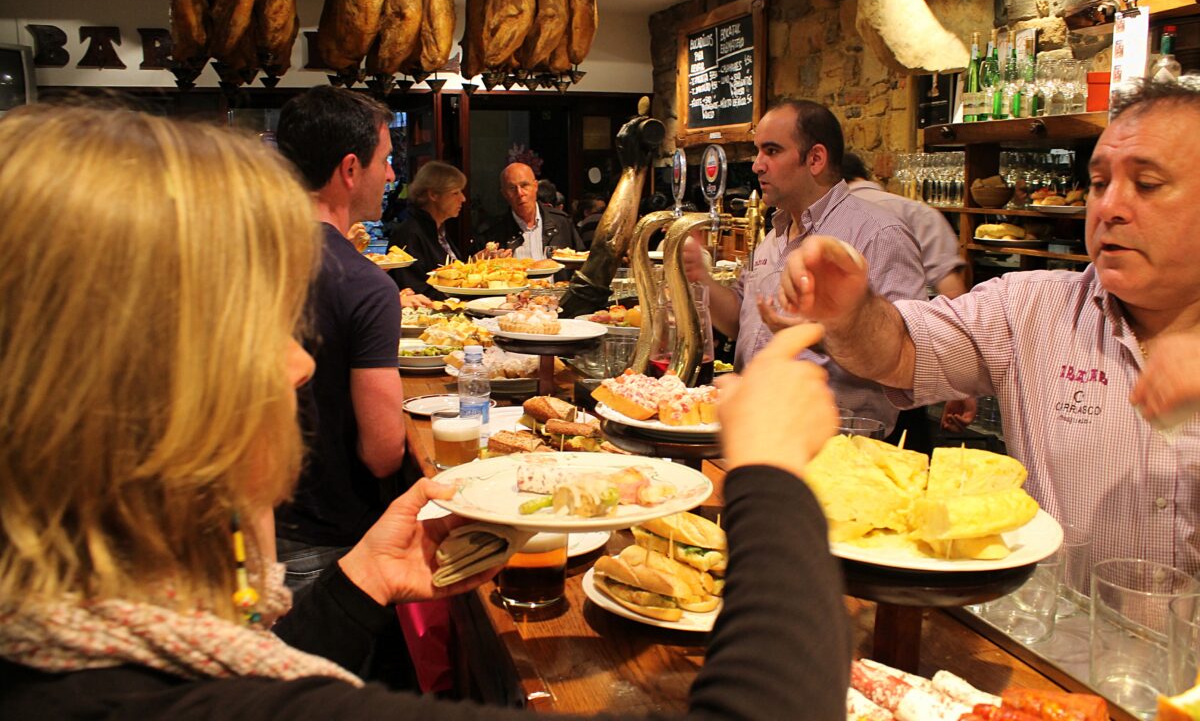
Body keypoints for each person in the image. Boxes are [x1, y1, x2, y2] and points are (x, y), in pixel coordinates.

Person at [0, 104, 851, 720]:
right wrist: (772, 478)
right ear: (133, 385)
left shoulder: (80, 647)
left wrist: (358, 585)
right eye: (258, 323)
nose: (299, 363)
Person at [772, 79, 1200, 574]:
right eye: (1100, 184)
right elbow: (898, 351)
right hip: (1047, 647)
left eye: (1146, 184)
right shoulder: (1033, 308)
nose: (1107, 208)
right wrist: (849, 311)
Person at [685, 99, 926, 437]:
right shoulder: (775, 236)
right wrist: (702, 279)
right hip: (756, 432)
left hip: (835, 448)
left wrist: (817, 335)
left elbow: (907, 353)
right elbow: (742, 321)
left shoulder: (878, 234)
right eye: (758, 151)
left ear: (815, 159)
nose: (757, 166)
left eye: (771, 151)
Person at [273, 86, 413, 595]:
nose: (392, 175)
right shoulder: (366, 285)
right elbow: (383, 453)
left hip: (243, 537)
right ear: (350, 170)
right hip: (326, 545)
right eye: (387, 160)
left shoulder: (238, 254)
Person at [841, 151, 971, 448]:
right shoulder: (918, 213)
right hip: (904, 387)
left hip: (834, 402)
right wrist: (960, 386)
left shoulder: (819, 220)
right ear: (867, 174)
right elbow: (954, 301)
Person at [841, 152, 967, 299]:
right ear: (863, 173)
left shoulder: (823, 217)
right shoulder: (919, 213)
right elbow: (952, 292)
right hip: (910, 319)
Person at [387, 160, 468, 298]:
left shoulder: (437, 230)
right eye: (455, 193)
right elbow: (414, 288)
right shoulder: (409, 234)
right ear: (433, 195)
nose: (463, 198)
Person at [477, 162, 581, 258]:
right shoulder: (492, 232)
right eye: (512, 188)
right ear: (504, 194)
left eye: (524, 185)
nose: (520, 193)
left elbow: (582, 263)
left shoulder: (562, 222)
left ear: (535, 187)